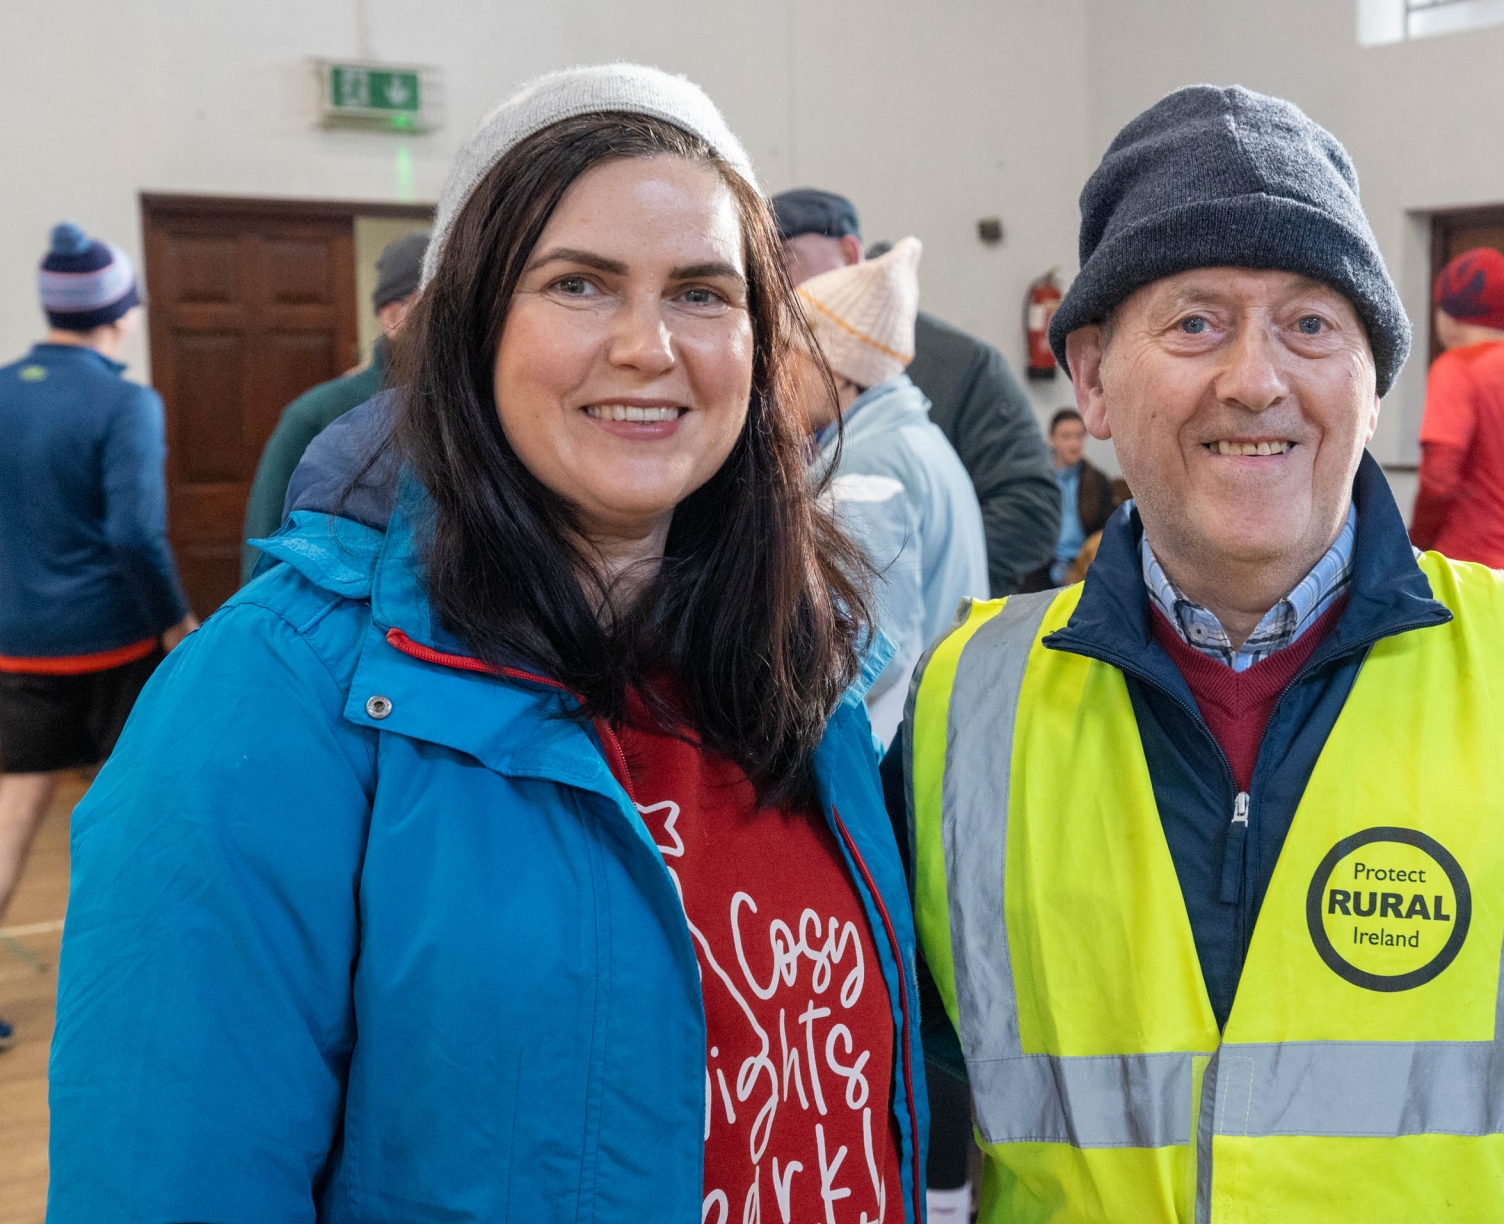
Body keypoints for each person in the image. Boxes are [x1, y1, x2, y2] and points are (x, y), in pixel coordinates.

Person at [888, 85, 1504, 1221]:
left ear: (1374, 384)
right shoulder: (967, 707)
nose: (1256, 379)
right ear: (1093, 379)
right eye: (1195, 322)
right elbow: (874, 1094)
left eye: (1311, 324)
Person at [49, 65, 926, 1221]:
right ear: (469, 326)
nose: (648, 344)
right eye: (579, 284)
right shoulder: (270, 696)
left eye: (703, 292)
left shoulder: (803, 664)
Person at [0, 224, 197, 1049]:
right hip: (113, 646)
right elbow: (135, 534)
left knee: (14, 812)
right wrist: (175, 623)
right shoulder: (125, 403)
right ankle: (140, 999)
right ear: (119, 311)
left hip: (17, 644)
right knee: (136, 815)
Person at [773, 187, 1059, 596]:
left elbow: (1029, 508)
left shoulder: (960, 365)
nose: (770, 282)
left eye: (784, 260)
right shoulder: (770, 366)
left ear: (850, 254)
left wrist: (937, 589)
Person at [795, 236, 988, 742]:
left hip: (894, 750)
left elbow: (863, 654)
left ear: (837, 367)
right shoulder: (913, 440)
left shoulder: (868, 468)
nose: (775, 373)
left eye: (790, 353)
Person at [239, 231, 427, 578]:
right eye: (436, 304)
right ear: (392, 317)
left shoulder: (478, 413)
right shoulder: (317, 415)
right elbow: (263, 559)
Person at [1408, 246, 1504, 573]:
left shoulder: (1456, 367)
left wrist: (1414, 546)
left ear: (1449, 315)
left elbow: (1438, 478)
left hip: (1471, 571)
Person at [1034, 407, 1115, 587]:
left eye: (1079, 436)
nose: (1074, 443)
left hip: (1084, 565)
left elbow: (1107, 528)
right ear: (1052, 439)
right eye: (1066, 436)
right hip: (1043, 566)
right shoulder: (1037, 479)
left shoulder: (1096, 479)